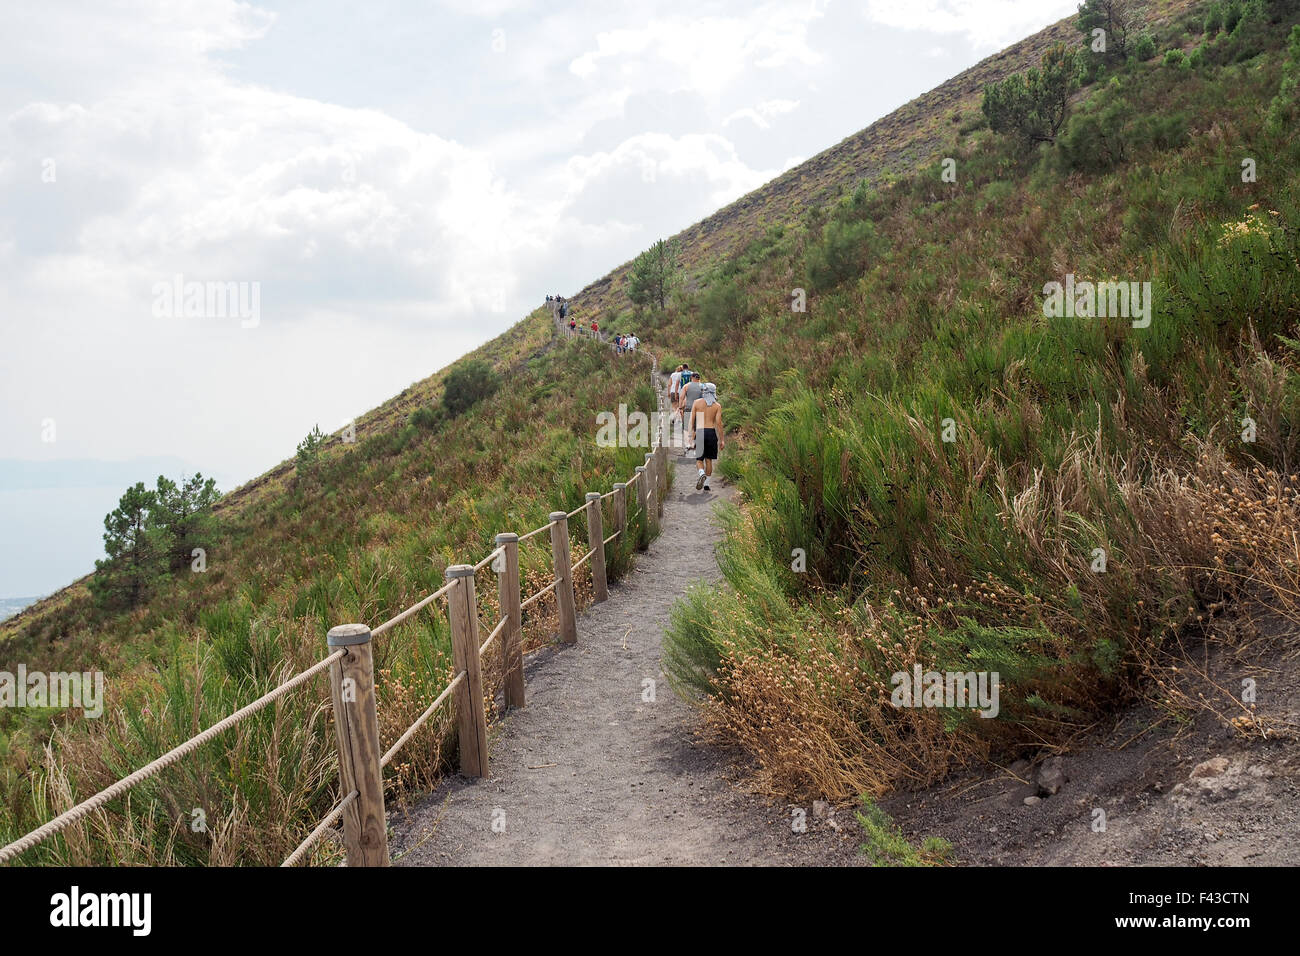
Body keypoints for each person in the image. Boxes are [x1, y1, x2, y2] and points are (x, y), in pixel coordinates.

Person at [687, 383, 724, 491]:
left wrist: (690, 435)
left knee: (699, 460)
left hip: (700, 432)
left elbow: (692, 420)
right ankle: (707, 484)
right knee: (709, 460)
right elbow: (719, 423)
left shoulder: (697, 403)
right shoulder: (717, 406)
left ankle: (701, 473)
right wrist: (722, 440)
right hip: (711, 433)